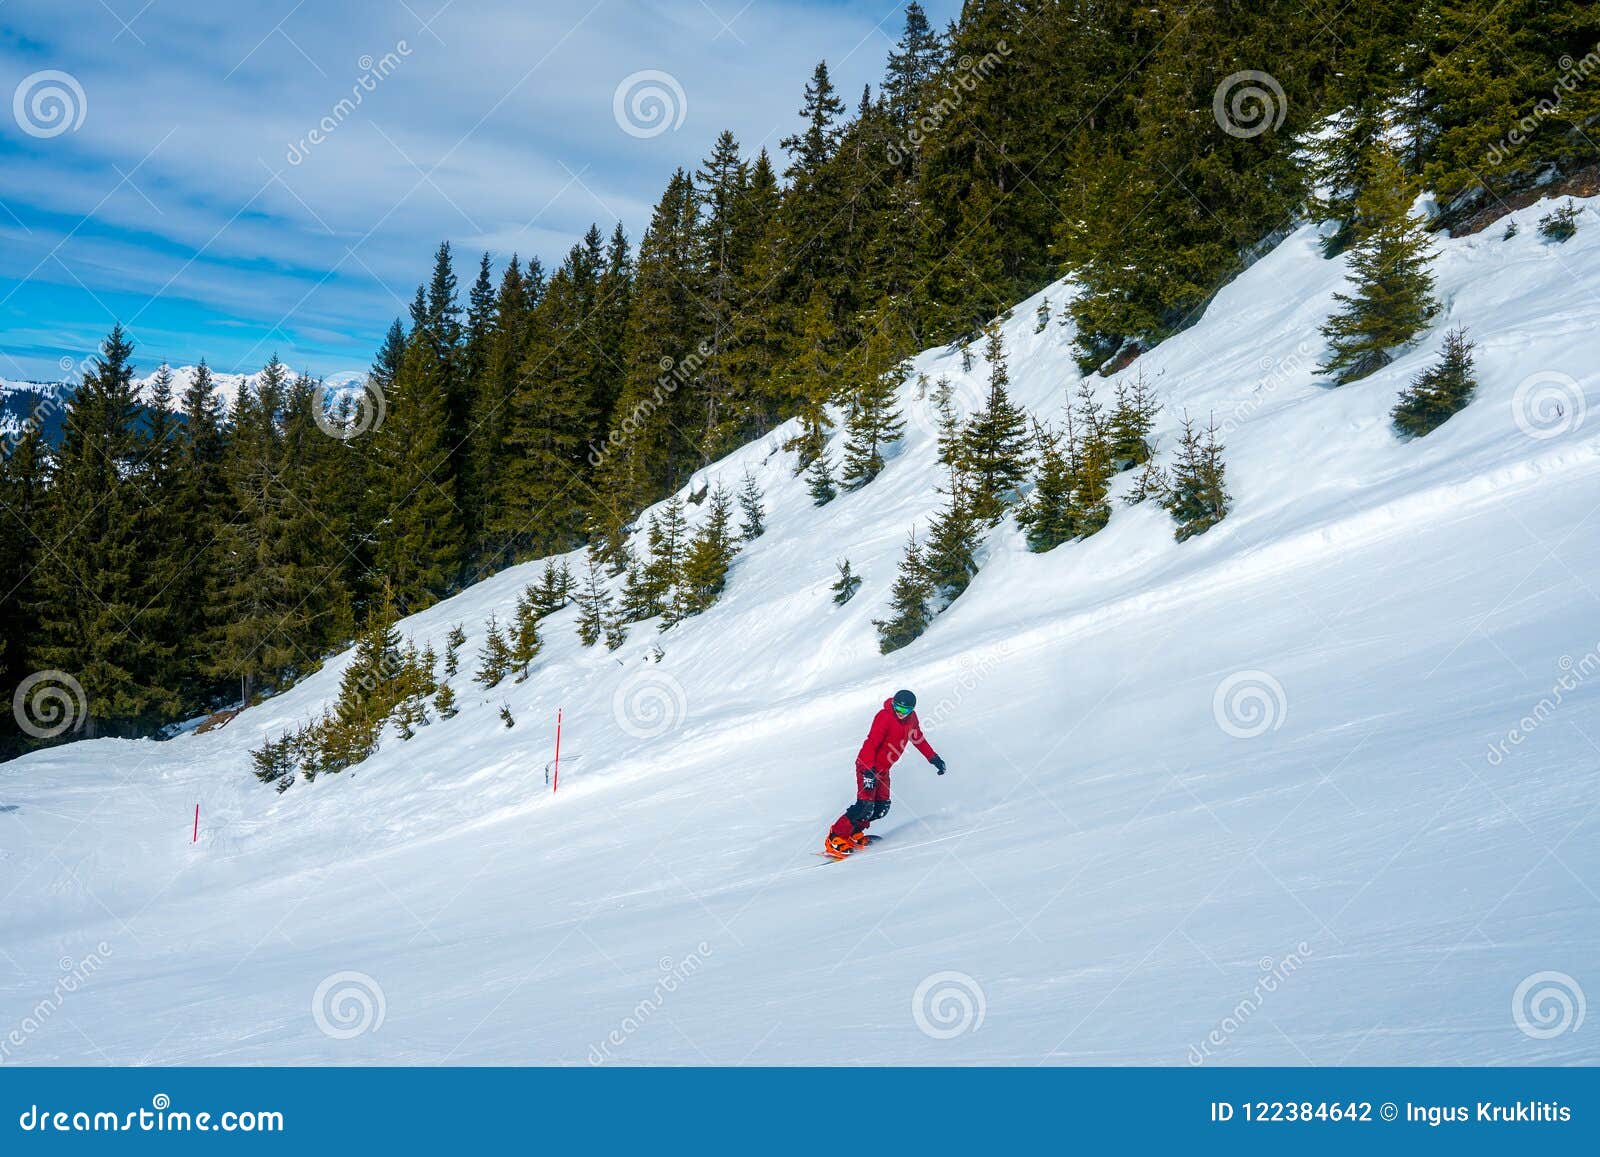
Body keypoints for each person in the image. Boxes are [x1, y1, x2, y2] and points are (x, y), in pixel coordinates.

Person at [825, 689, 946, 858]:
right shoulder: (884, 717)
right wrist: (868, 772)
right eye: (897, 708)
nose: (900, 713)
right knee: (864, 805)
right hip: (867, 766)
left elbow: (918, 738)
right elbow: (871, 744)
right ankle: (835, 837)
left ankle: (854, 833)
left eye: (905, 710)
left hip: (883, 770)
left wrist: (933, 758)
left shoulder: (912, 719)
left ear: (912, 710)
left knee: (881, 808)